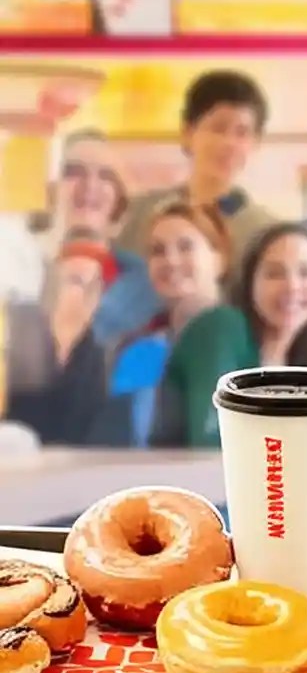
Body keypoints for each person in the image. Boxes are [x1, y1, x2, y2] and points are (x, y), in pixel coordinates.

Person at [150, 221, 307, 449]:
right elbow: (213, 443)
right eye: (275, 273)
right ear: (249, 281)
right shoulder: (220, 328)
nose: (293, 286)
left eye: (305, 273)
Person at [115, 70, 276, 293]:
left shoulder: (266, 233)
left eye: (242, 132)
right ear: (188, 133)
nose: (229, 143)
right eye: (218, 128)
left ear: (256, 143)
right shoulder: (140, 213)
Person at [105, 202, 230, 446]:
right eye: (158, 251)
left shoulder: (244, 335)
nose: (170, 260)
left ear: (219, 259)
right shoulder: (137, 351)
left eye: (185, 247)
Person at [35, 130, 154, 345]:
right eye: (73, 172)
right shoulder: (16, 273)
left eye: (106, 176)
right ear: (50, 190)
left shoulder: (150, 287)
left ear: (120, 202)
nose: (90, 184)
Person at [5, 241, 114, 445]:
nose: (88, 292)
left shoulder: (99, 356)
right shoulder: (23, 341)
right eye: (76, 280)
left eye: (96, 284)